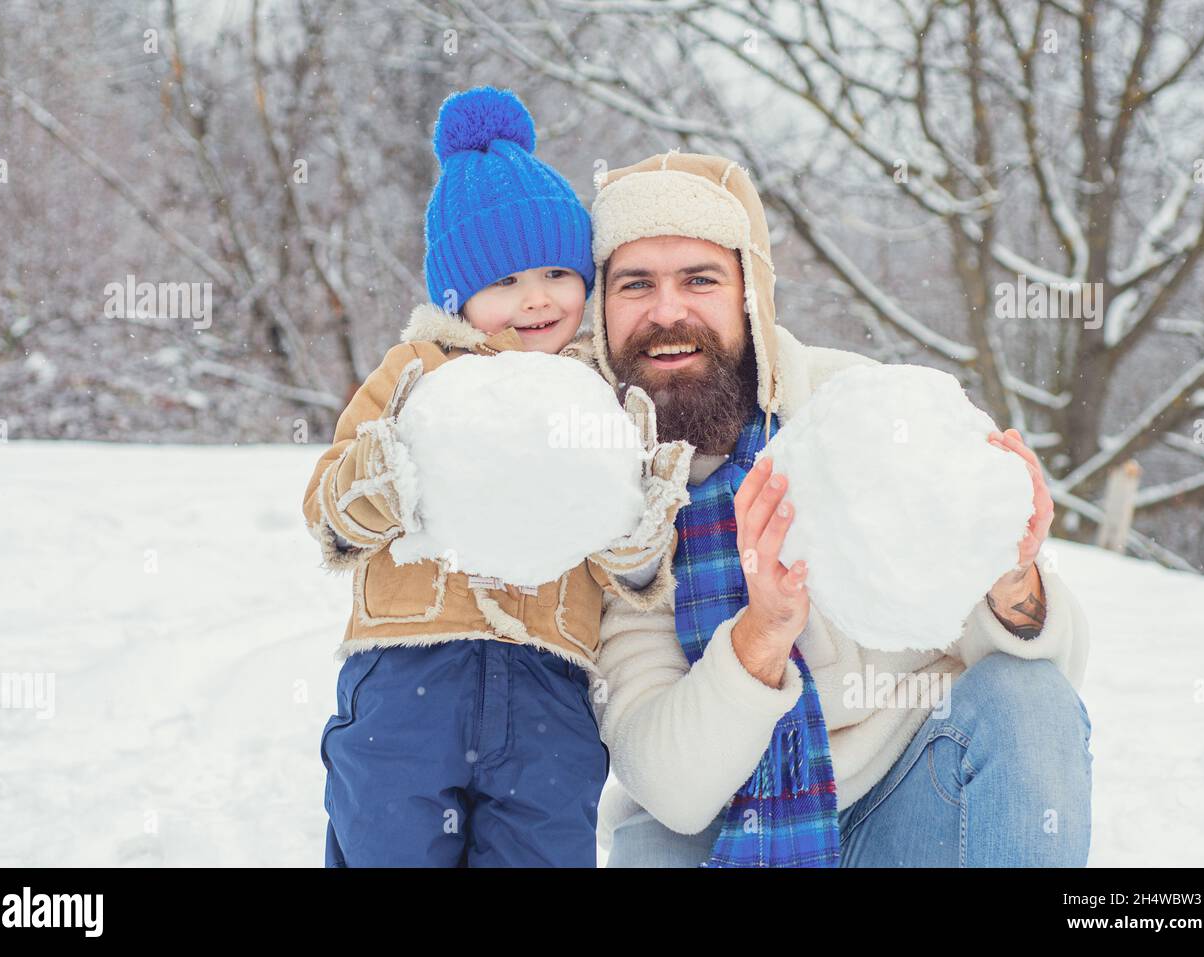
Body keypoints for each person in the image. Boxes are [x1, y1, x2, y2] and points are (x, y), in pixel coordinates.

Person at [574, 149, 1092, 867]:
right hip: (717, 831)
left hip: (907, 799)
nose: (668, 311)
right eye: (636, 284)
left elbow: (1042, 684)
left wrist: (1011, 579)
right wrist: (764, 630)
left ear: (748, 294)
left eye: (700, 279)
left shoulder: (851, 410)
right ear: (602, 313)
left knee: (1026, 697)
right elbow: (669, 785)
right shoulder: (601, 491)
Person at [301, 90, 691, 867]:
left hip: (550, 685)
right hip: (410, 667)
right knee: (386, 836)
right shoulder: (416, 374)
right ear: (458, 293)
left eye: (556, 270)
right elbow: (327, 510)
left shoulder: (603, 397)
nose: (537, 297)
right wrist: (381, 475)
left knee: (541, 845)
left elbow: (634, 563)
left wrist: (638, 534)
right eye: (505, 280)